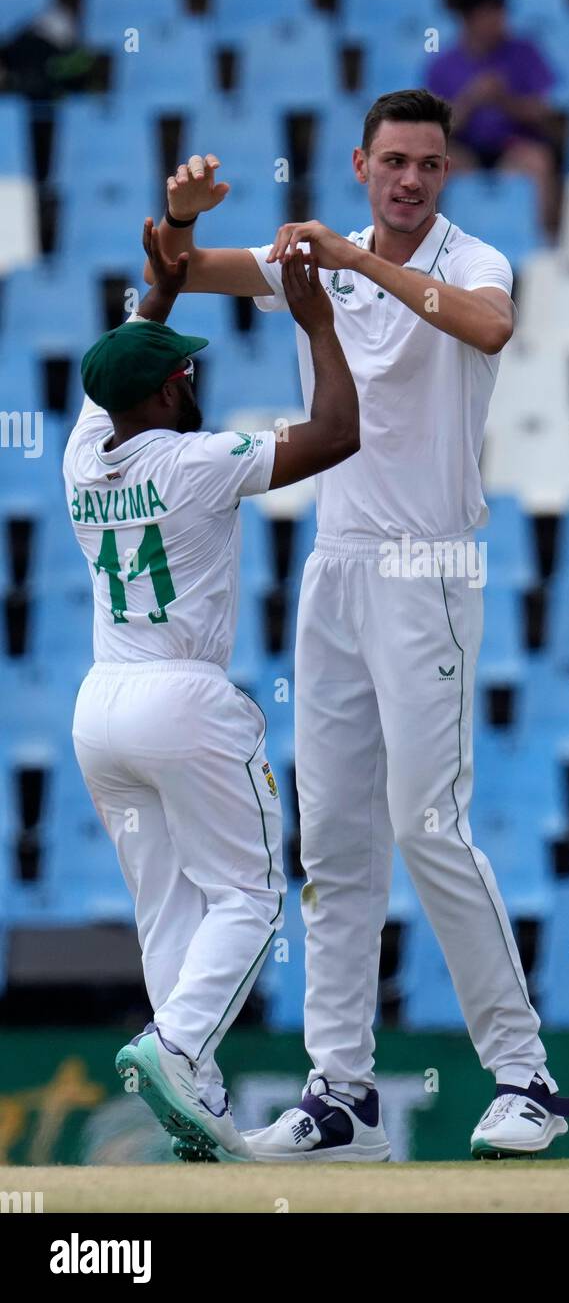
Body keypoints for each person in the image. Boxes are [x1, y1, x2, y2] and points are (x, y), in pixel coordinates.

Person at [147, 87, 569, 1162]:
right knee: (332, 843)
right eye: (392, 161)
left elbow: (489, 326)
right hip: (334, 566)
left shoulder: (474, 260)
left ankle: (524, 1076)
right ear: (358, 162)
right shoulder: (314, 256)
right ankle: (338, 1087)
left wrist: (352, 262)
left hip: (426, 564)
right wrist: (185, 217)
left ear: (445, 176)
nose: (408, 180)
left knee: (426, 822)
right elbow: (176, 274)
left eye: (427, 165)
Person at [66, 220, 359, 1162]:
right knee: (251, 897)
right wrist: (317, 324)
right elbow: (336, 435)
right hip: (182, 699)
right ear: (161, 392)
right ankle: (176, 1046)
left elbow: (125, 358)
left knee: (170, 912)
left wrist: (160, 288)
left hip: (100, 704)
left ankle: (197, 1093)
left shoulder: (83, 453)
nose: (191, 378)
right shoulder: (196, 463)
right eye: (180, 373)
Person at [425, 0, 559, 237]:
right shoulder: (442, 65)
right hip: (465, 148)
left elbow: (543, 113)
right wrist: (471, 99)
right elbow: (435, 130)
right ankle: (438, 245)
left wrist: (504, 100)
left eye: (500, 15)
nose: (497, 23)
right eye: (488, 15)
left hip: (513, 144)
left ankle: (540, 244)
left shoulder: (525, 52)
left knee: (537, 161)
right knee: (435, 164)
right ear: (468, 20)